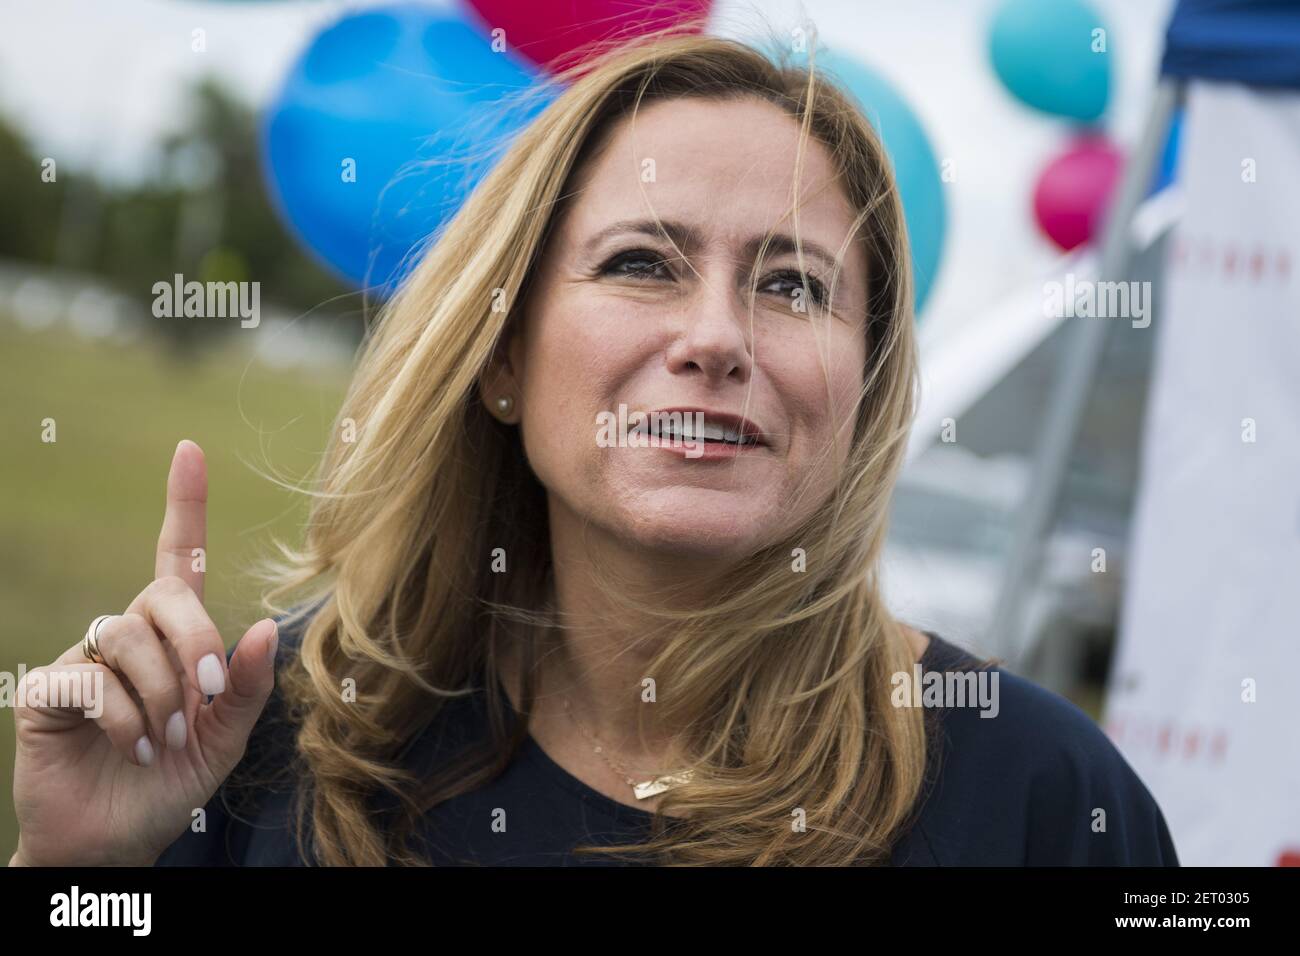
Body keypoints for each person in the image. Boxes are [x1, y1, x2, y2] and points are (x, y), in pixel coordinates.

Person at [9, 27, 1178, 867]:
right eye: (641, 263)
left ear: (865, 384)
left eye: (791, 283)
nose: (716, 337)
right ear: (505, 354)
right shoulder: (275, 734)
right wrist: (76, 869)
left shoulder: (1042, 797)